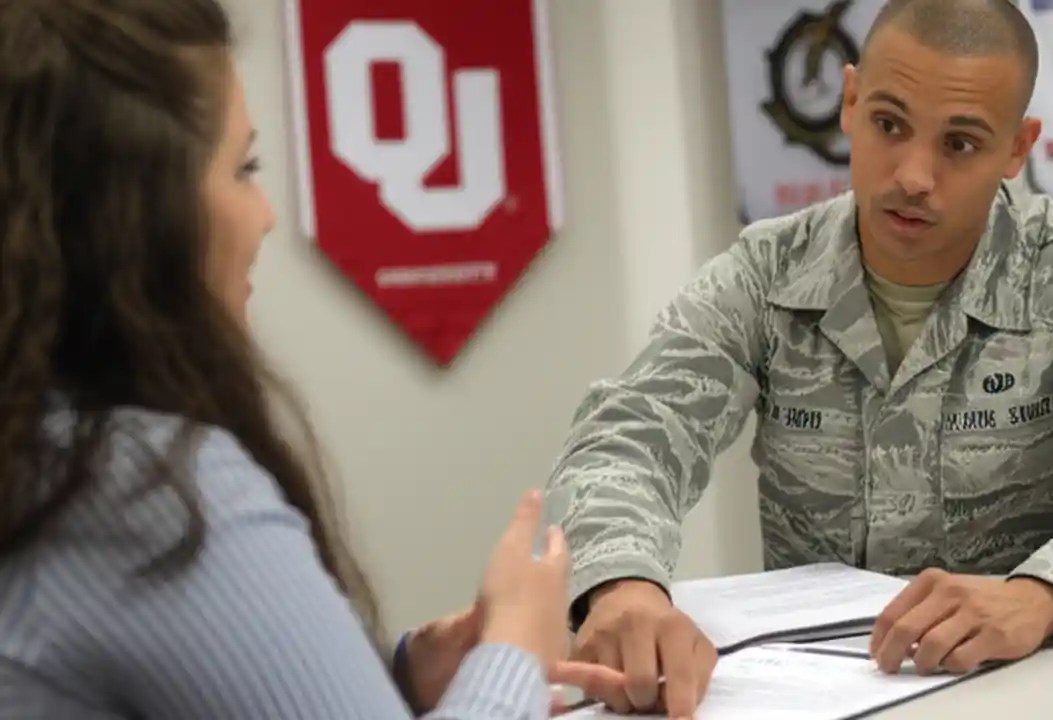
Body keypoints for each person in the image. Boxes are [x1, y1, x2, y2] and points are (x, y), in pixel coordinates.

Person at [545, 0, 1053, 716]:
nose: (913, 177)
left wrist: (1044, 596)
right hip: (809, 696)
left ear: (1017, 149)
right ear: (851, 101)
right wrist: (625, 587)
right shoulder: (765, 276)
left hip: (1033, 690)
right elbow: (628, 439)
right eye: (889, 125)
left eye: (959, 143)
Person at [0, 0, 622, 717]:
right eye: (243, 168)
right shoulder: (150, 494)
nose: (264, 214)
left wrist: (388, 685)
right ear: (136, 215)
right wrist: (515, 647)